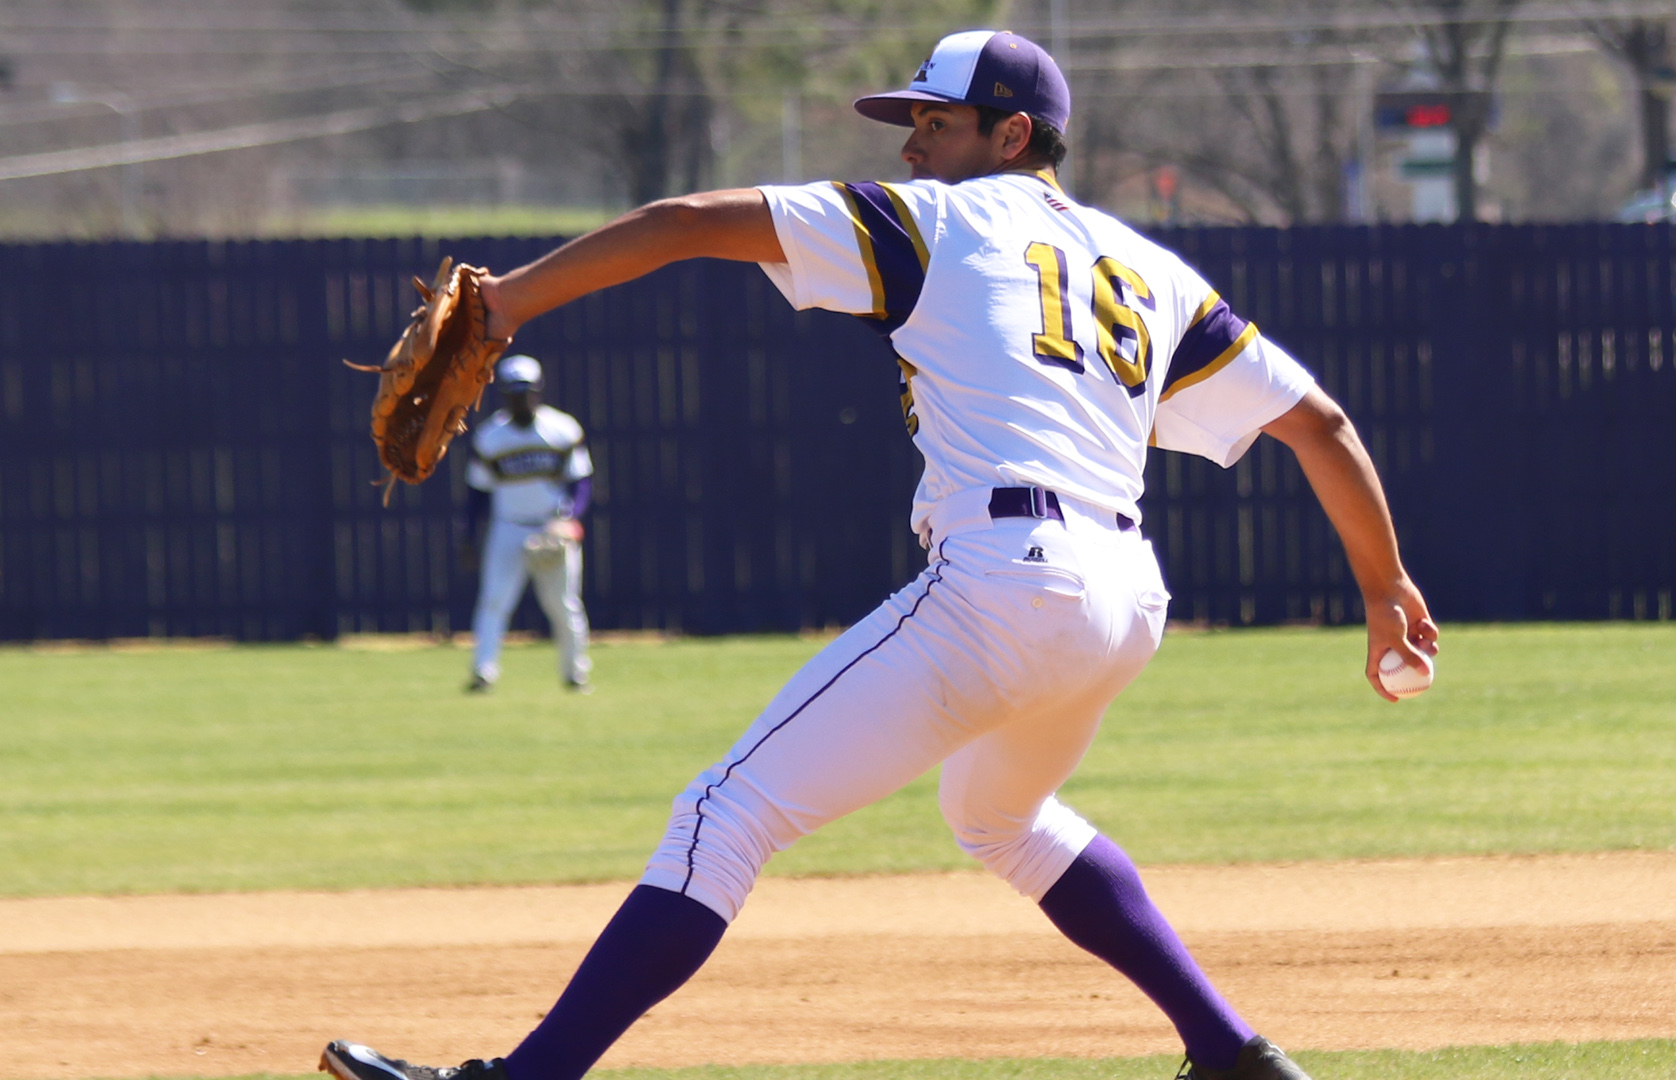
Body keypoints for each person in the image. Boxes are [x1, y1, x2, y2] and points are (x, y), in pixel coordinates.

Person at [320, 28, 1436, 1080]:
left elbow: (681, 220)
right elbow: (1320, 424)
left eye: (936, 123)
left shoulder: (940, 225)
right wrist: (1384, 588)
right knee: (998, 816)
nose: (911, 145)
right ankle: (1235, 1055)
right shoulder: (1152, 270)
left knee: (723, 814)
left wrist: (507, 303)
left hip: (1009, 579)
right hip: (1125, 601)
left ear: (1010, 138)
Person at [463, 354, 594, 693]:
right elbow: (477, 492)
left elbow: (581, 481)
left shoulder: (562, 429)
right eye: (514, 392)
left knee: (564, 605)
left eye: (526, 391)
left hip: (552, 526)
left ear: (538, 391)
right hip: (508, 526)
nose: (521, 399)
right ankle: (483, 673)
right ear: (504, 395)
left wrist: (571, 520)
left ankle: (575, 674)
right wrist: (469, 536)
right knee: (494, 601)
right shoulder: (491, 435)